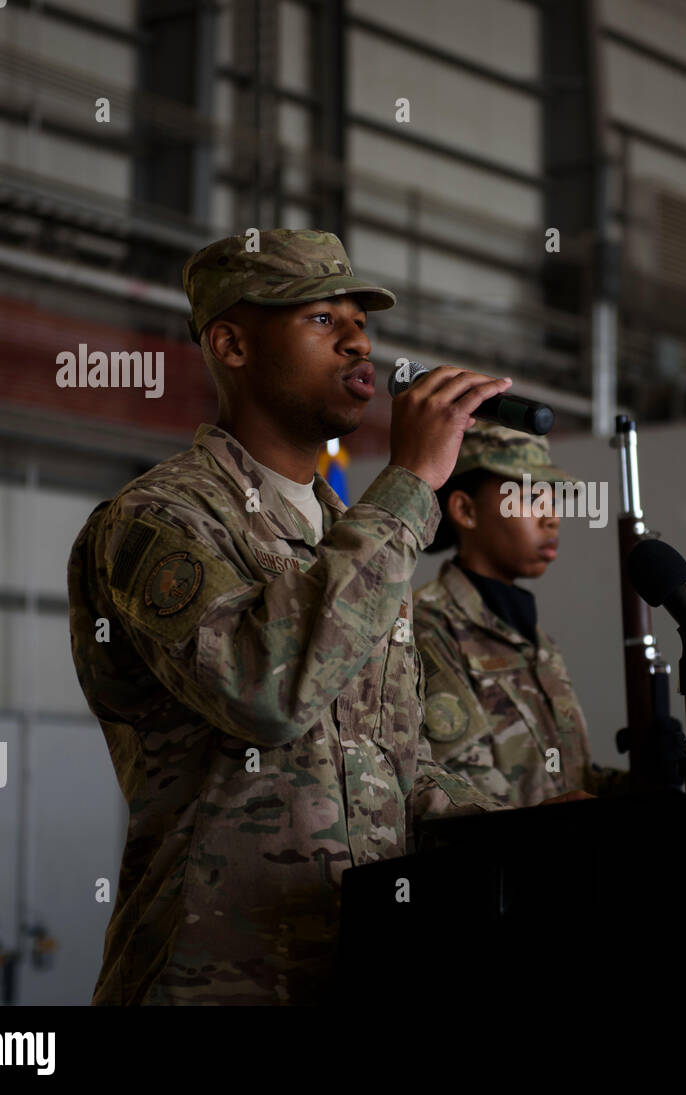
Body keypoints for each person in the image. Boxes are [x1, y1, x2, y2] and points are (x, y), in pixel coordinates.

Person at [67, 228, 526, 1005]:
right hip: (208, 981)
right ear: (232, 345)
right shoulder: (156, 518)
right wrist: (411, 482)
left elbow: (392, 766)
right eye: (322, 320)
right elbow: (264, 689)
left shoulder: (351, 534)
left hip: (356, 969)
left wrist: (533, 823)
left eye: (362, 321)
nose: (358, 340)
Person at [413, 424, 625, 806]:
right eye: (527, 497)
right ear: (465, 510)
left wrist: (641, 782)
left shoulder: (532, 637)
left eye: (552, 499)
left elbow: (568, 779)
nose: (552, 518)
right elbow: (450, 794)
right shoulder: (428, 628)